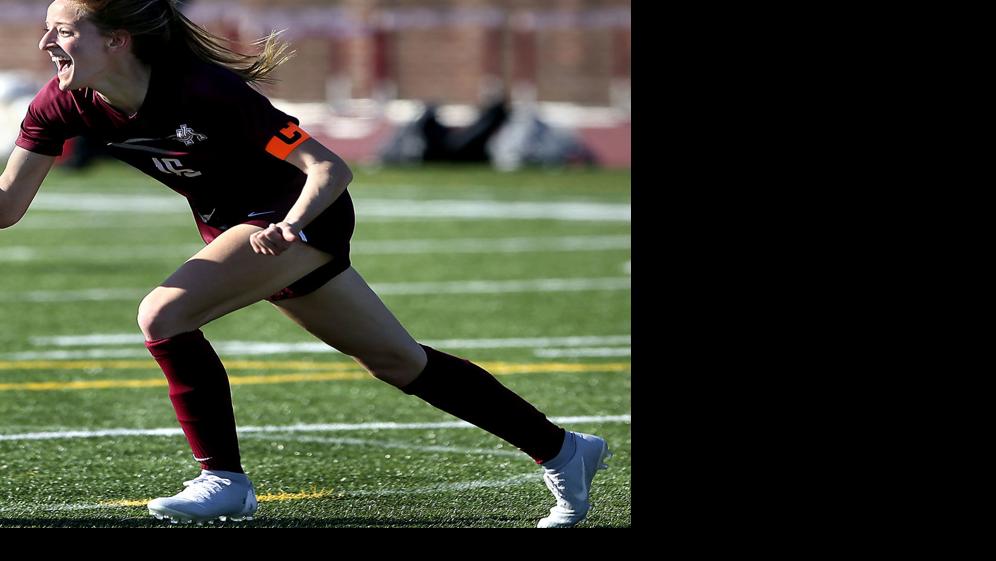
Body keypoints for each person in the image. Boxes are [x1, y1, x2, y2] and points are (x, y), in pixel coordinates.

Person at [0, 0, 611, 528]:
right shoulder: (61, 105)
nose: (46, 41)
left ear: (116, 40)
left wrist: (289, 222)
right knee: (399, 361)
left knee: (164, 313)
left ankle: (224, 482)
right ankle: (563, 449)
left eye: (63, 29)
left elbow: (328, 168)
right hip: (238, 230)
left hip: (297, 217)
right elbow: (7, 206)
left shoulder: (203, 91)